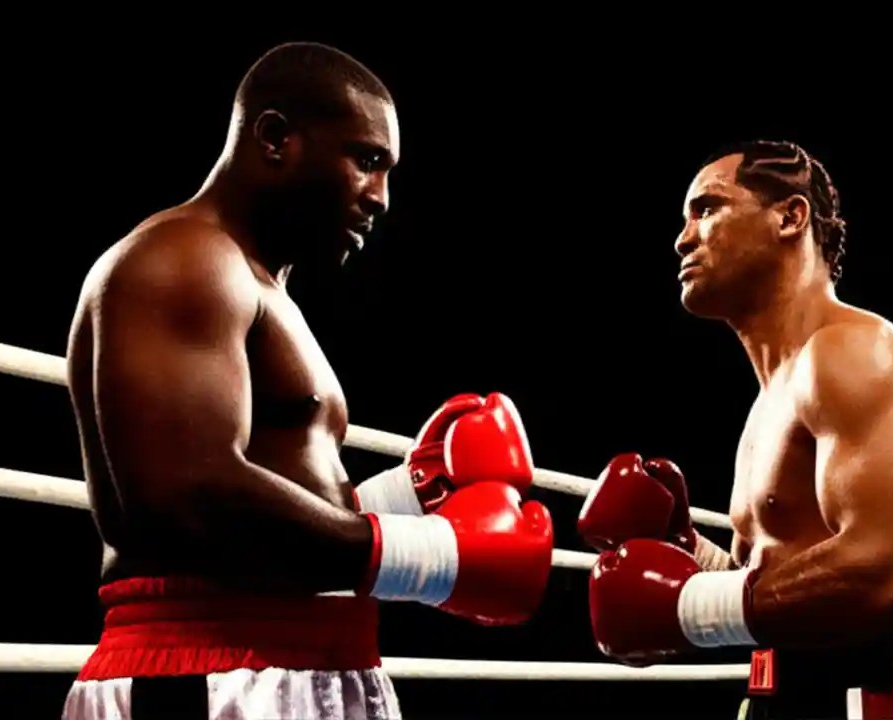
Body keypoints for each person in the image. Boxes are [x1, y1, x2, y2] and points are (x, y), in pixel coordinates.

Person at [60, 42, 554, 720]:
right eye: (367, 160)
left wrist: (402, 497)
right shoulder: (183, 259)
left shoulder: (257, 284)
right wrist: (433, 556)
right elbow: (184, 496)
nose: (380, 197)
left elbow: (263, 482)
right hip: (211, 669)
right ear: (274, 139)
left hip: (302, 662)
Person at [577, 140, 893, 718]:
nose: (682, 238)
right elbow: (766, 580)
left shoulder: (853, 353)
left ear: (789, 216)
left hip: (882, 690)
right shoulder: (771, 398)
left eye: (706, 209)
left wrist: (691, 607)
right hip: (788, 684)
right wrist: (686, 549)